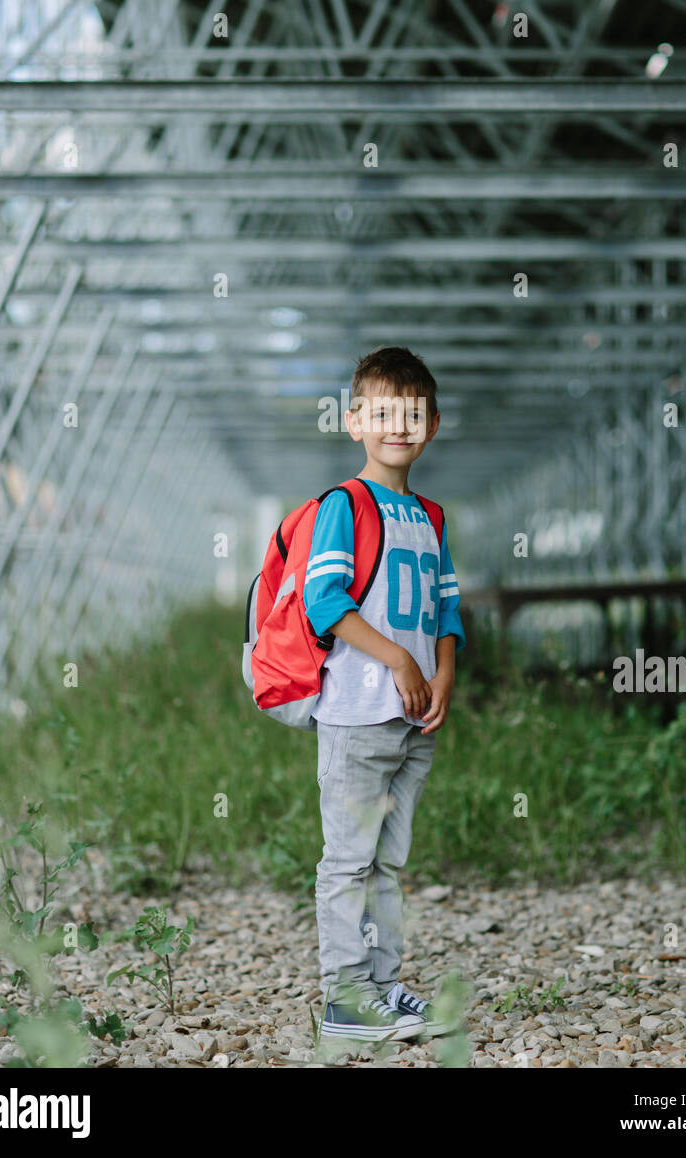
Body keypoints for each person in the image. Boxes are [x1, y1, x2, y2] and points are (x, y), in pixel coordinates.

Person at [303, 345, 465, 1043]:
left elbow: (448, 607)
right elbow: (322, 601)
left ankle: (382, 984)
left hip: (412, 721)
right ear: (354, 421)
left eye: (413, 413)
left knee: (389, 862)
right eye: (383, 412)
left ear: (431, 425)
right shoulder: (346, 505)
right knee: (349, 859)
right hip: (357, 716)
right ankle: (345, 1000)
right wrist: (399, 657)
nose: (399, 424)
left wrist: (444, 671)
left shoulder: (430, 517)